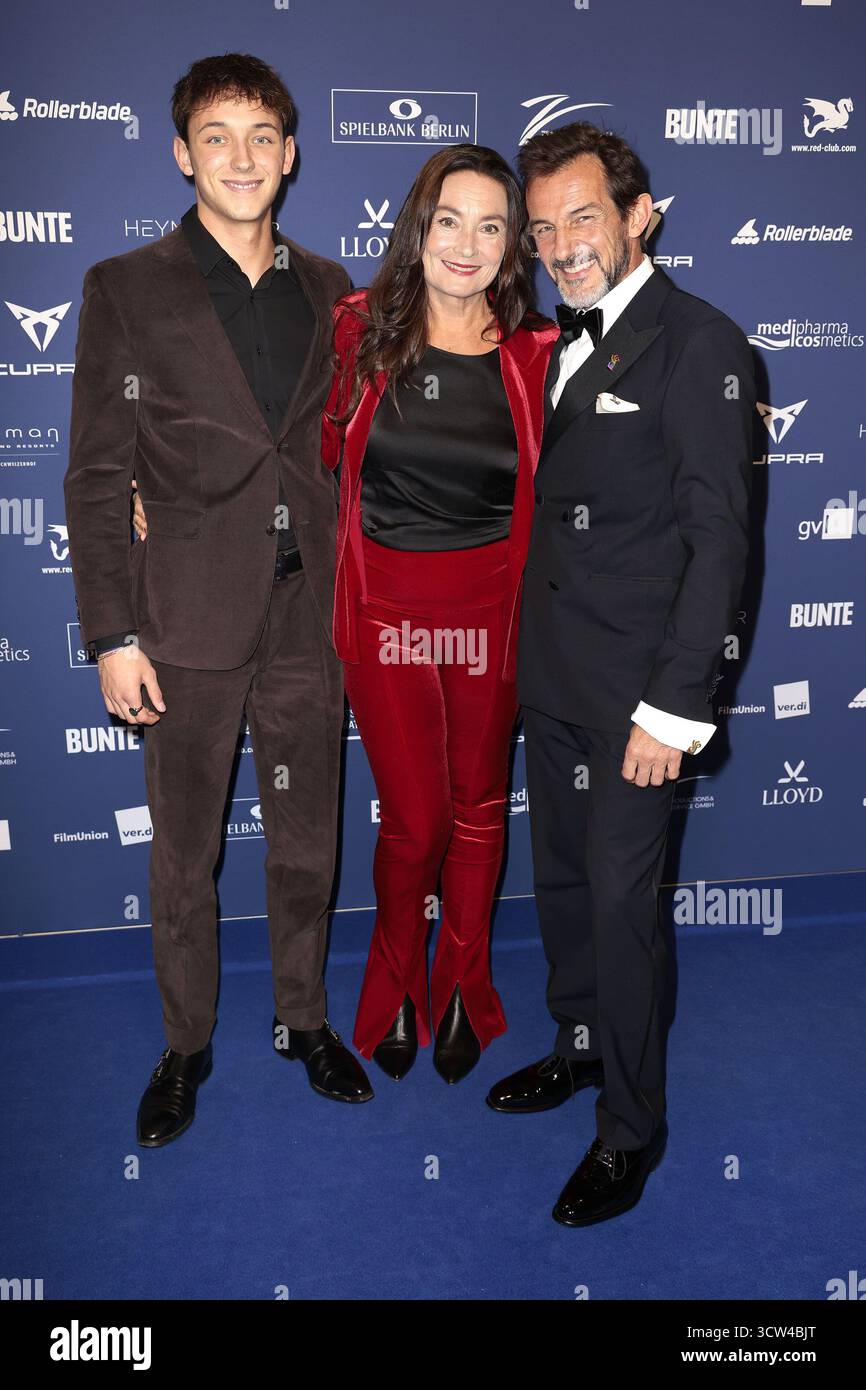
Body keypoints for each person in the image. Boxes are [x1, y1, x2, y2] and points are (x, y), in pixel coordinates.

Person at [64, 53, 373, 1150]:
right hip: (184, 622)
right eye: (217, 136)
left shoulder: (337, 290)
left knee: (306, 842)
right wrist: (110, 632)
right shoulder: (123, 286)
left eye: (262, 136)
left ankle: (303, 1019)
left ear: (291, 154)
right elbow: (99, 475)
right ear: (181, 151)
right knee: (183, 852)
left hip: (308, 622)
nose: (241, 158)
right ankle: (186, 1043)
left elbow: (354, 449)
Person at [485, 122, 754, 1225]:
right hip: (553, 686)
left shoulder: (701, 346)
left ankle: (629, 1130)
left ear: (640, 215)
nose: (560, 246)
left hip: (641, 704)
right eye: (542, 229)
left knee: (621, 907)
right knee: (560, 892)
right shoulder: (555, 344)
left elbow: (720, 545)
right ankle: (581, 1046)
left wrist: (675, 709)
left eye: (581, 218)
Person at [320, 145, 559, 1084]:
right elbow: (302, 446)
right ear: (419, 227)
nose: (467, 243)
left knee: (479, 811)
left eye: (491, 226)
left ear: (511, 248)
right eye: (449, 220)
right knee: (414, 820)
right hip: (385, 614)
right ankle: (396, 990)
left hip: (494, 613)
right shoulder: (356, 332)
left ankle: (463, 986)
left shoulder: (537, 354)